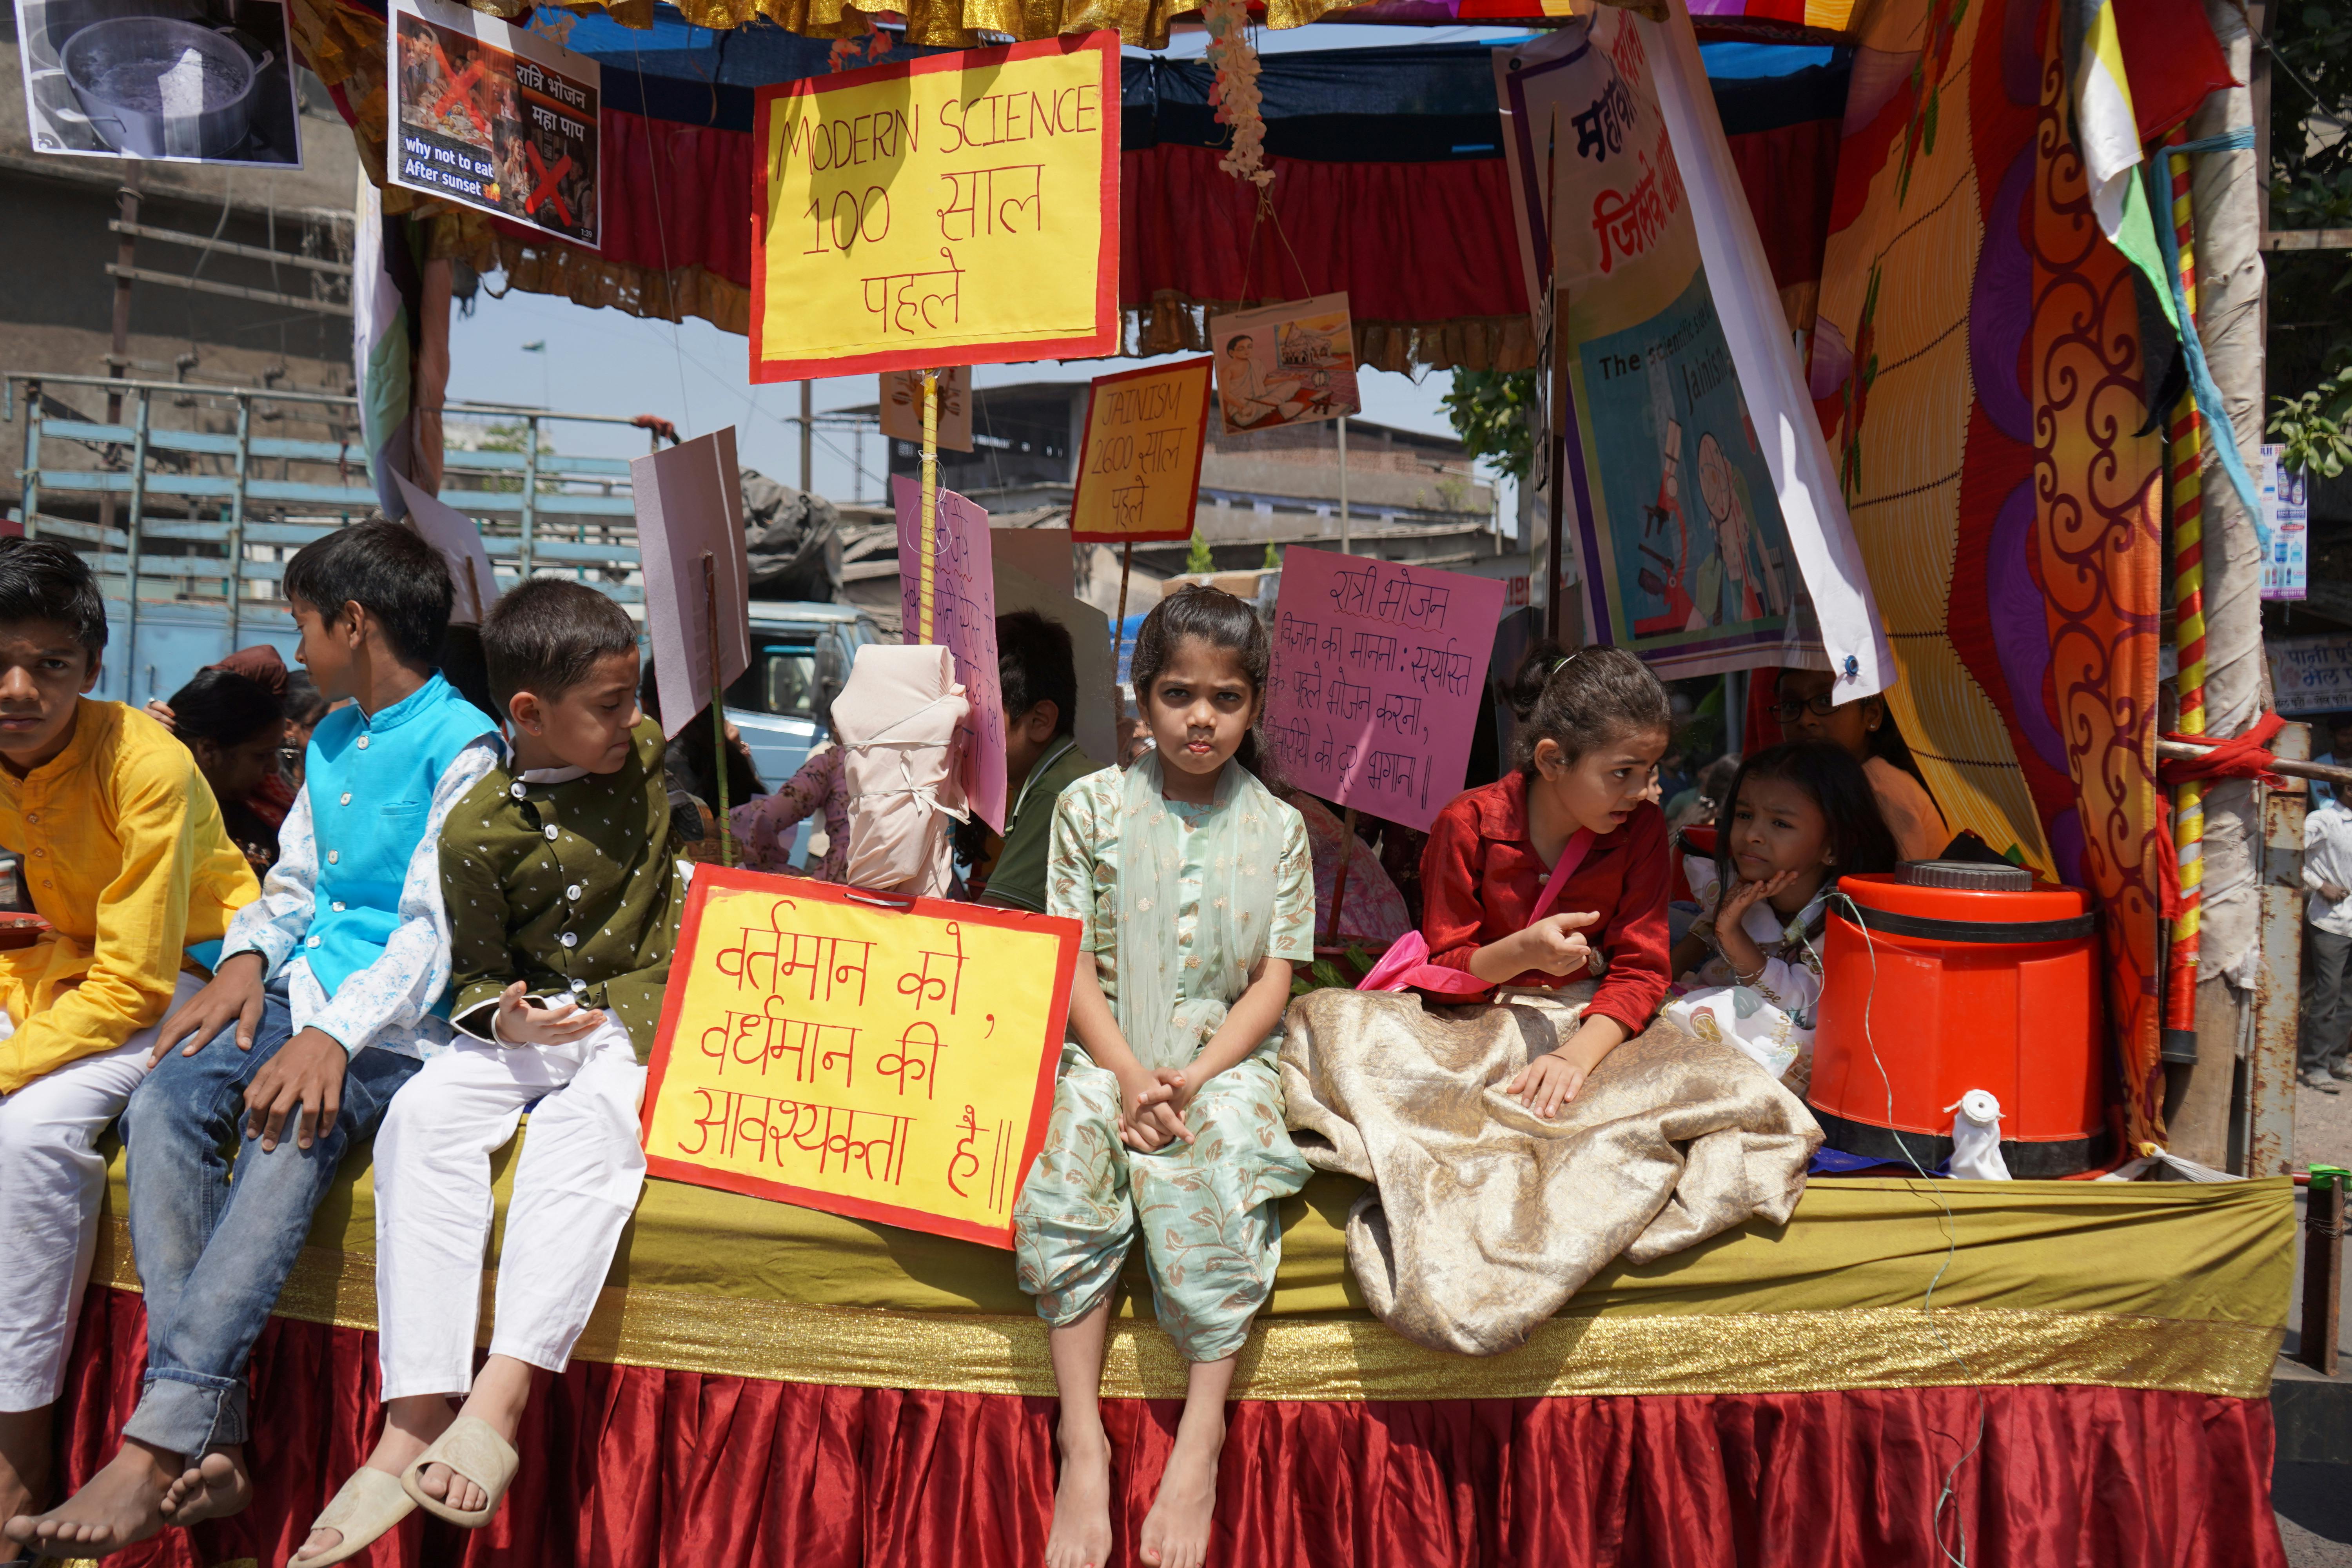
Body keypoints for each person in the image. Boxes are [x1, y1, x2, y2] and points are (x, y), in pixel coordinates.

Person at [10, 521, 499, 1557]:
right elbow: (294, 888)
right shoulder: (327, 735)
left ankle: (156, 1443)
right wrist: (241, 963)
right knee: (167, 1095)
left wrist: (326, 1036)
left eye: (305, 628)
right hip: (297, 985)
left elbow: (430, 929)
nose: (299, 651)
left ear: (353, 623)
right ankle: (215, 1440)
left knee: (286, 1124)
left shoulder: (466, 747)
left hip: (393, 1023)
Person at [294, 581, 679, 1563]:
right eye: (610, 702)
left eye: (633, 695)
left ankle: (500, 1399)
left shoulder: (644, 757)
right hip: (522, 1026)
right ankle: (415, 1416)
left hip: (633, 1013)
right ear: (528, 714)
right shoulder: (472, 832)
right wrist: (502, 1018)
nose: (633, 719)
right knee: (421, 1117)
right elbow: (469, 971)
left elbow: (697, 805)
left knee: (587, 1131)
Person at [1013, 586, 1314, 1568]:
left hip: (1222, 1061)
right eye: (1178, 693)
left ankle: (1202, 1435)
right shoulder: (1086, 806)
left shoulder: (1279, 827)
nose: (1201, 717)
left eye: (1225, 698)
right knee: (1065, 1164)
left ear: (1254, 704)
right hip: (1107, 1048)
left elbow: (1273, 981)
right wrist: (1132, 1073)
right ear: (1139, 698)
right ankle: (1081, 1440)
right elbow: (1072, 964)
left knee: (1221, 1165)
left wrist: (1192, 1077)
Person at [0, 540, 259, 1543]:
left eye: (49, 665)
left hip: (185, 983)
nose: (18, 689)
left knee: (25, 1142)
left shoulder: (144, 761)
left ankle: (19, 1464)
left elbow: (135, 981)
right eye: (0, 662)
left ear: (93, 670)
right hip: (43, 973)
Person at [1412, 642, 1676, 1118]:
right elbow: (1442, 973)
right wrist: (1524, 952)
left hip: (1599, 1028)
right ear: (1553, 760)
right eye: (1622, 773)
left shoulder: (1644, 828)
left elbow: (1642, 970)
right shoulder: (1465, 823)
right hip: (1479, 1025)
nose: (1640, 792)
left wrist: (1573, 1057)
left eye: (1649, 771)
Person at [1664, 741, 1899, 1092]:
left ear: (1832, 846)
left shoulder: (1843, 919)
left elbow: (1802, 1006)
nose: (1752, 835)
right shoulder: (1738, 885)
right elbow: (1689, 949)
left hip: (1793, 1044)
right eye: (1744, 816)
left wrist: (1731, 932)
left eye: (1780, 823)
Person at [976, 609, 1098, 914]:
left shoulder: (1057, 796)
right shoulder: (1055, 779)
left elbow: (989, 924)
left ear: (1040, 721)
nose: (963, 730)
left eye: (981, 716)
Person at [1774, 666, 1950, 862]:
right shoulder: (1823, 783)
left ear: (1872, 715)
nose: (1805, 720)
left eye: (1826, 701)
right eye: (1790, 705)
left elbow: (1885, 888)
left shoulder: (1884, 791)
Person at [164, 667, 288, 873]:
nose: (274, 768)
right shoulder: (162, 819)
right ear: (209, 750)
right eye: (262, 755)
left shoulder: (261, 815)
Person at [2301, 743, 2352, 1094]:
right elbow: (2288, 852)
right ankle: (2315, 1064)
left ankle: (2337, 1056)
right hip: (2330, 920)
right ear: (2347, 788)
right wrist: (2320, 885)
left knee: (2348, 995)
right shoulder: (2323, 820)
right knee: (2328, 992)